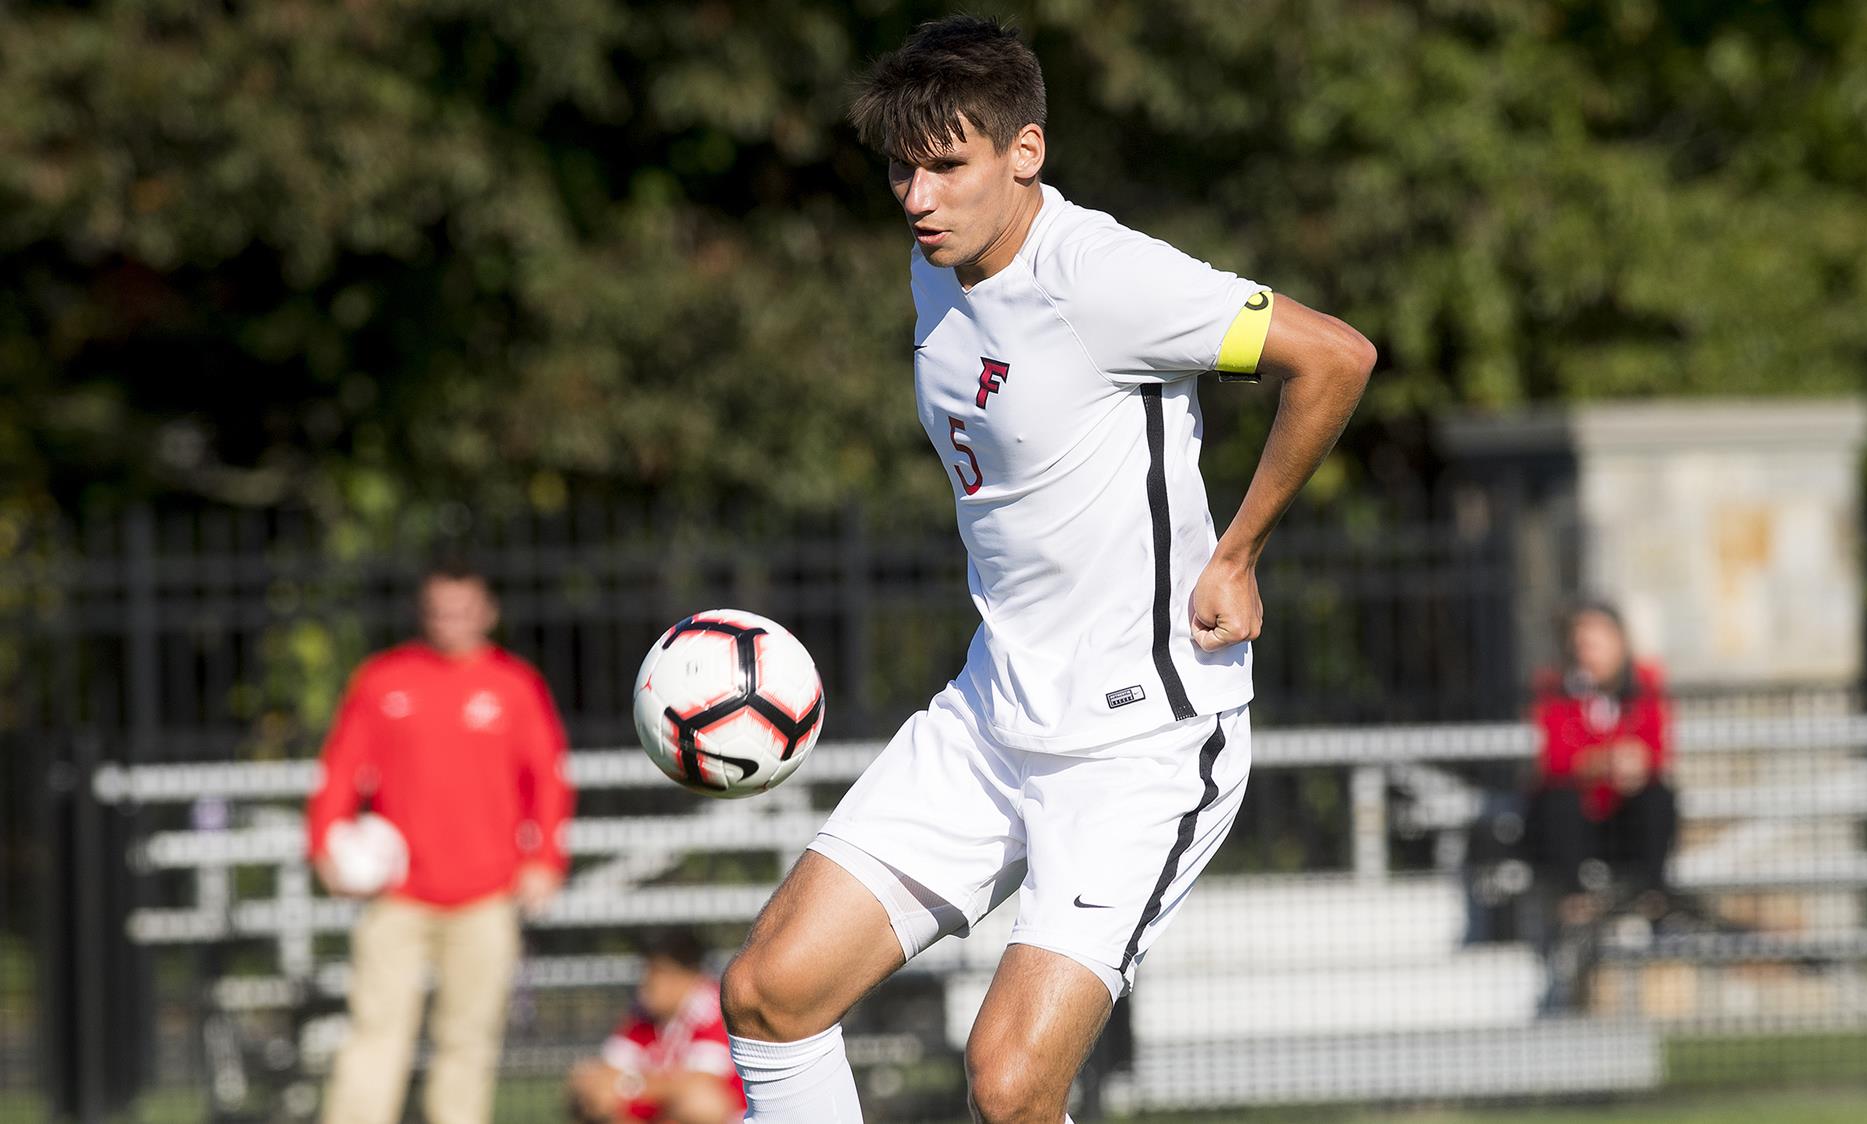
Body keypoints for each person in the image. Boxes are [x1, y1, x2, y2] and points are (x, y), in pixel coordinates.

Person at [719, 17, 1376, 1124]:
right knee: (769, 991)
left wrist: (1239, 549)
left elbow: (1335, 353)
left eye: (946, 165)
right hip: (992, 713)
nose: (917, 197)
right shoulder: (938, 265)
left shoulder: (1101, 275)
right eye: (900, 168)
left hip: (1140, 743)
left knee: (1009, 1081)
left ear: (1025, 152)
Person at [307, 561, 574, 1124]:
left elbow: (547, 780)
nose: (450, 621)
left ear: (487, 612)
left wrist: (545, 860)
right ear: (421, 612)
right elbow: (340, 770)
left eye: (463, 609)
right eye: (439, 610)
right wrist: (324, 845)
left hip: (486, 893)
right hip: (397, 894)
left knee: (468, 1042)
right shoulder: (382, 681)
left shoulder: (516, 686)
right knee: (375, 1034)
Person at [1528, 599, 1678, 927]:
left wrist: (1631, 761)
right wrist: (1603, 760)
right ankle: (1573, 898)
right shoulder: (1556, 688)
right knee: (1558, 798)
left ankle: (1654, 894)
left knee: (1658, 794)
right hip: (1579, 816)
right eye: (1581, 643)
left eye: (1595, 643)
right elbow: (1556, 759)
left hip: (1623, 814)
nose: (1587, 652)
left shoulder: (1643, 684)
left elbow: (1655, 750)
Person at [569, 929, 747, 1124]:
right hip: (657, 1111)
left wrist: (625, 1086)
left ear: (688, 975)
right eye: (646, 970)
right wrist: (601, 1085)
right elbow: (609, 1066)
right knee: (586, 1082)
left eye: (658, 972)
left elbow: (700, 1084)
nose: (648, 981)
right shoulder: (645, 1013)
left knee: (700, 1102)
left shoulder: (713, 1008)